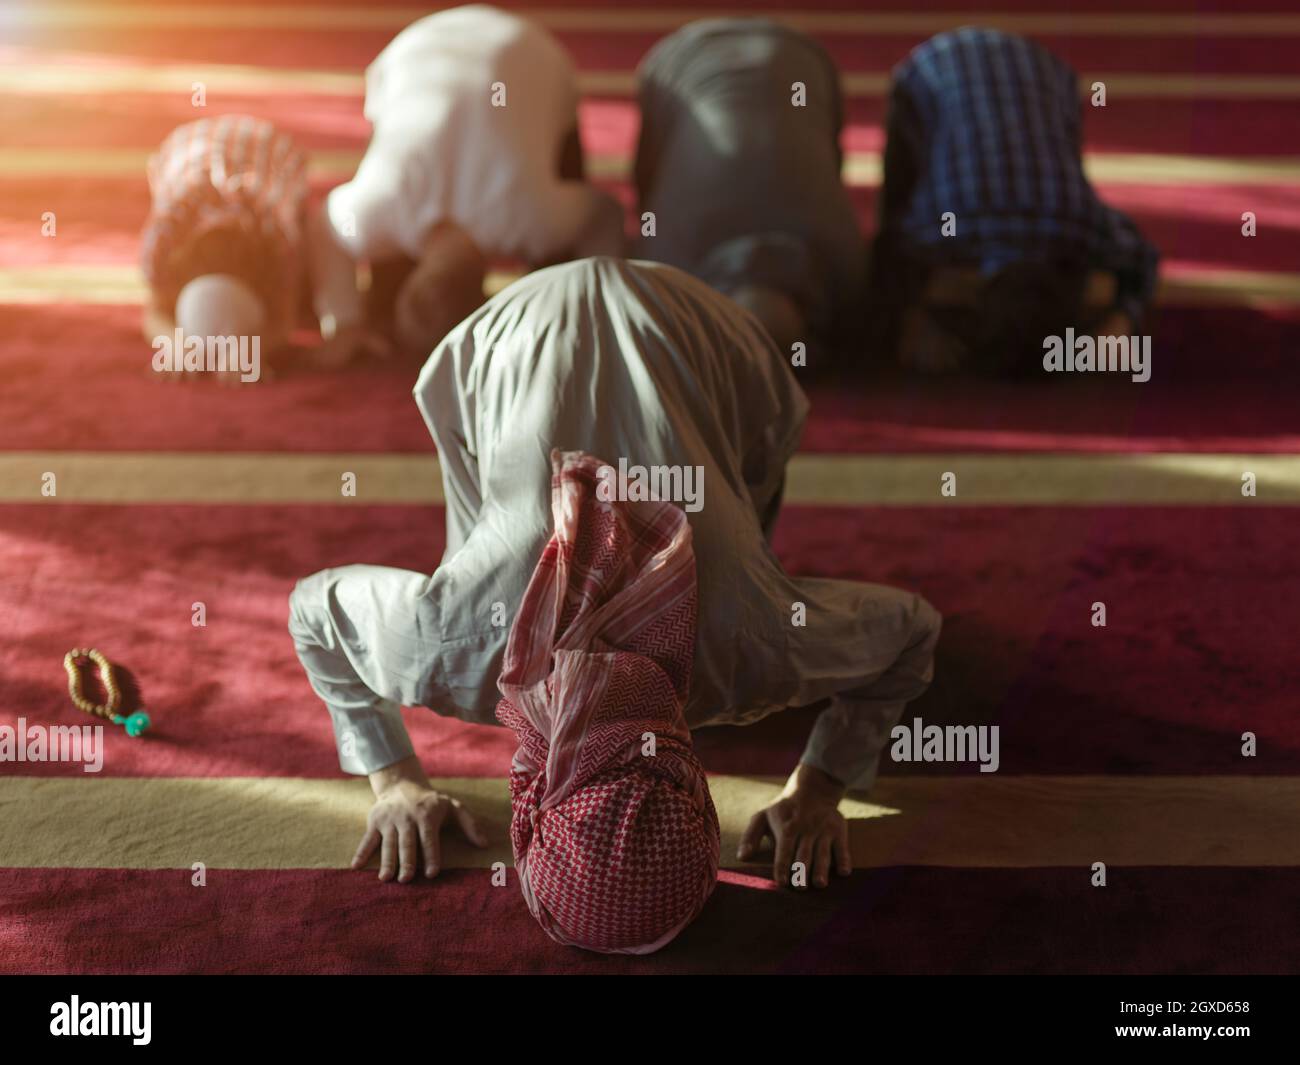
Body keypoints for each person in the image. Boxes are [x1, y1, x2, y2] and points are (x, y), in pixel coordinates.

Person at [288, 258, 941, 913]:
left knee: (717, 535)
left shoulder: (751, 649)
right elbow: (312, 610)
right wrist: (395, 780)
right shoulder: (462, 649)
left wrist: (820, 788)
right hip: (587, 326)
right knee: (526, 539)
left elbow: (913, 628)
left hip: (688, 326)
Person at [311, 4, 626, 363]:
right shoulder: (379, 212)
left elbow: (605, 214)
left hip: (533, 55)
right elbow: (325, 222)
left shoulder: (529, 220)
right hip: (416, 51)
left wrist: (586, 316)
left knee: (555, 271)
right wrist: (345, 324)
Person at [868, 26, 1160, 376]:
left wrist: (1119, 322)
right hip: (929, 73)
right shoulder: (943, 230)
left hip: (1042, 73)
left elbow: (1141, 257)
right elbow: (891, 245)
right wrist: (913, 322)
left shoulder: (1079, 226)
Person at [632, 18, 865, 358]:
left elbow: (646, 182)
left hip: (796, 60)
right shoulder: (667, 266)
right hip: (692, 60)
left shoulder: (667, 263)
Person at [140, 115, 309, 362]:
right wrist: (175, 345)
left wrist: (252, 351)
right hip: (185, 146)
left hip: (272, 148)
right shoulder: (164, 238)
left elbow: (284, 320)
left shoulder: (279, 240)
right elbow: (153, 312)